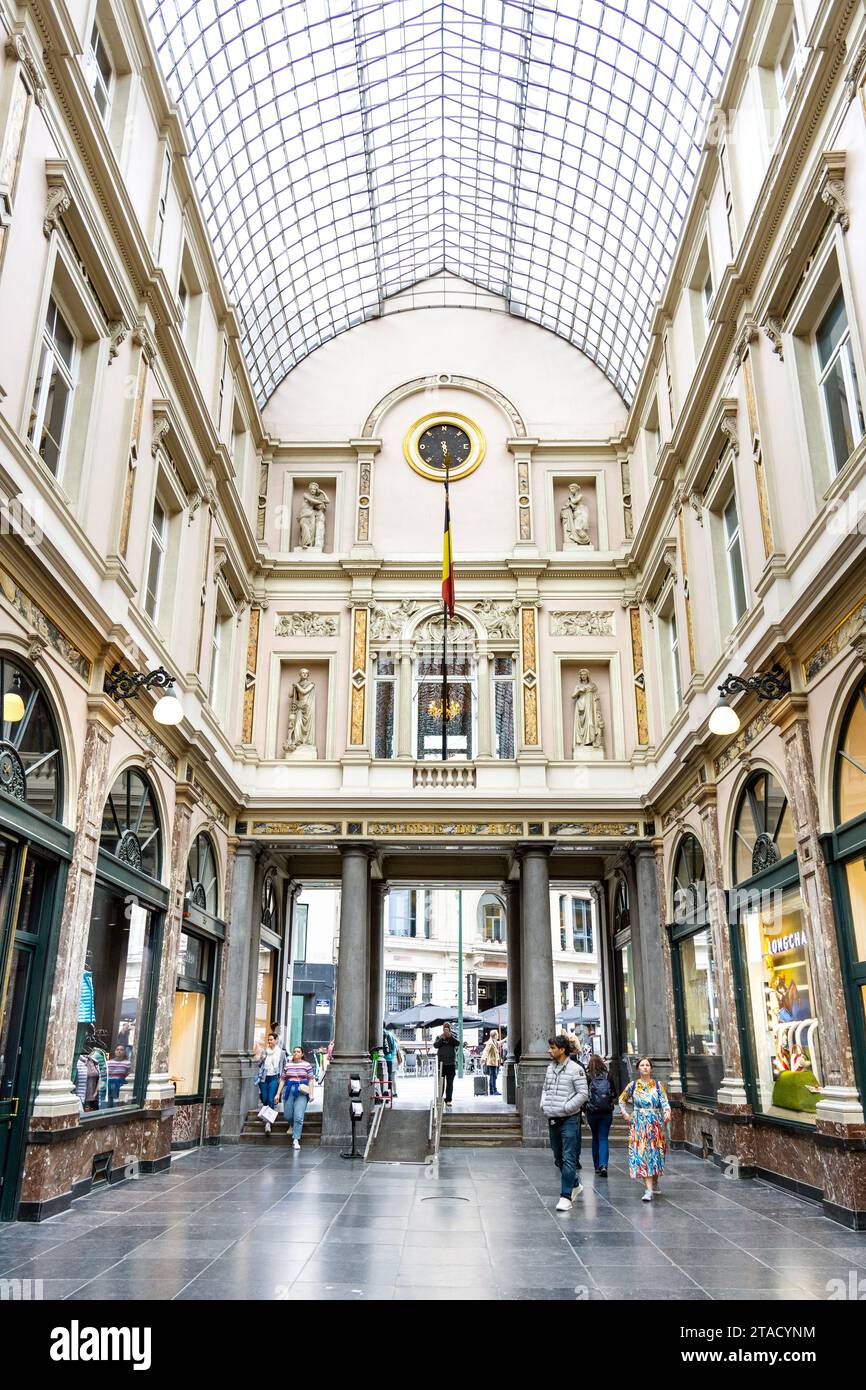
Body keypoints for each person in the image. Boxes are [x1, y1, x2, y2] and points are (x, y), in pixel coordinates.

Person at [541, 1034, 589, 1213]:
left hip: (569, 1119)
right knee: (558, 1157)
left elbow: (583, 1093)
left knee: (569, 1157)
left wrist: (567, 1107)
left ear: (562, 1050)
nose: (549, 1050)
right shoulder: (550, 1068)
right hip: (553, 1117)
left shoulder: (576, 1069)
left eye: (552, 1048)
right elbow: (545, 1088)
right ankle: (575, 1183)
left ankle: (566, 1196)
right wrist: (544, 1104)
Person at [619, 1056, 672, 1201]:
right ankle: (648, 1189)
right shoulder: (633, 1085)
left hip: (655, 1123)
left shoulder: (657, 1085)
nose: (645, 1067)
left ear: (651, 1068)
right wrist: (625, 1113)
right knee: (643, 1154)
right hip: (639, 1124)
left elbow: (665, 1102)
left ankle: (654, 1181)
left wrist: (667, 1112)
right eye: (642, 1065)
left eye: (647, 1065)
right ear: (638, 1068)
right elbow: (621, 1100)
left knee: (656, 1153)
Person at [276, 1045, 315, 1149]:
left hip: (302, 1091)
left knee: (298, 1116)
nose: (296, 1053)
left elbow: (311, 1079)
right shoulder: (288, 1065)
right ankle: (292, 1125)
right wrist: (278, 1094)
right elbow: (283, 1080)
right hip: (289, 1090)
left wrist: (311, 1093)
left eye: (298, 1051)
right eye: (294, 1051)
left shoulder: (307, 1065)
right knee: (288, 1115)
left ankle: (296, 1139)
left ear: (302, 1054)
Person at [585, 1054, 616, 1176]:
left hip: (592, 1111)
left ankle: (597, 1165)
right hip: (606, 1111)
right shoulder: (609, 1076)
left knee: (595, 1137)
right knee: (603, 1137)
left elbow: (584, 1094)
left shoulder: (588, 1076)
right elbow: (614, 1093)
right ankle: (604, 1165)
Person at [254, 1032, 285, 1133]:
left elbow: (284, 1066)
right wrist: (262, 1059)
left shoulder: (281, 1053)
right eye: (268, 1039)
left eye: (271, 1039)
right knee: (264, 1098)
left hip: (274, 1077)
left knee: (271, 1099)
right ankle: (267, 1116)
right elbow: (258, 1064)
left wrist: (281, 1078)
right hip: (263, 1077)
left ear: (276, 1040)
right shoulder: (264, 1051)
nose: (269, 1041)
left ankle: (268, 1123)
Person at [434, 1022, 459, 1106]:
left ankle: (448, 1100)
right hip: (441, 1063)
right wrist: (442, 1038)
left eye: (447, 1027)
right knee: (441, 1083)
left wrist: (450, 1037)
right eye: (445, 1027)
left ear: (450, 1028)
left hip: (451, 1063)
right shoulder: (439, 1037)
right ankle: (440, 1099)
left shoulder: (453, 1037)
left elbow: (458, 1043)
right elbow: (435, 1045)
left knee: (450, 1083)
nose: (446, 1029)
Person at [481, 1029, 501, 1096]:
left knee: (492, 1076)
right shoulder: (490, 1042)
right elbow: (486, 1051)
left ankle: (491, 1091)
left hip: (493, 1062)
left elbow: (499, 1042)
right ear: (495, 1035)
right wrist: (483, 1058)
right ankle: (494, 1090)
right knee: (493, 1076)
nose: (498, 1035)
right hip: (491, 1062)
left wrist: (506, 1039)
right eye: (497, 1034)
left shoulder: (494, 1041)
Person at [382, 1023, 399, 1098]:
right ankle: (393, 1093)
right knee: (391, 1077)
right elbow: (394, 1047)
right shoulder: (390, 1034)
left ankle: (390, 1093)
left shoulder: (383, 1033)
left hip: (387, 1058)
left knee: (389, 1077)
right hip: (391, 1058)